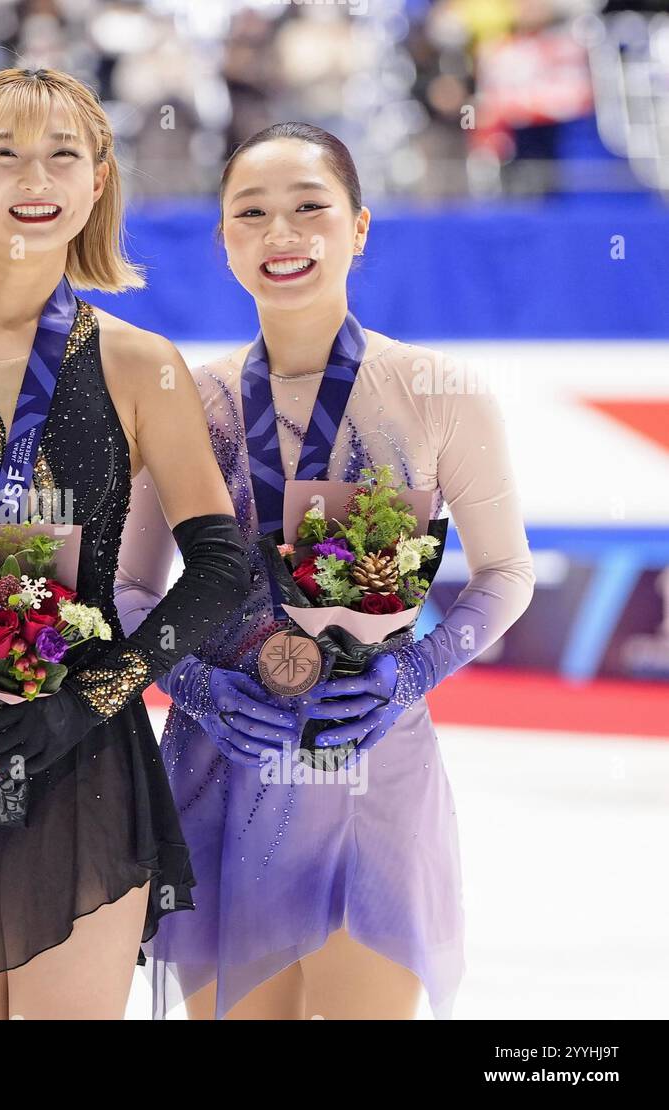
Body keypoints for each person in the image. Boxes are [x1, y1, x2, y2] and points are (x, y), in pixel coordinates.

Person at [0, 67, 252, 1019]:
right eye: (6, 152)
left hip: (81, 757)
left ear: (98, 182)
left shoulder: (144, 364)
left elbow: (221, 570)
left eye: (64, 154)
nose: (37, 175)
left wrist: (93, 698)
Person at [117, 122, 536, 1021]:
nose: (282, 234)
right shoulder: (187, 401)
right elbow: (129, 590)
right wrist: (195, 688)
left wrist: (412, 672)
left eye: (310, 208)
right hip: (224, 757)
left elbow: (505, 573)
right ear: (224, 240)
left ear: (359, 228)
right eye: (252, 213)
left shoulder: (438, 392)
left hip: (372, 755)